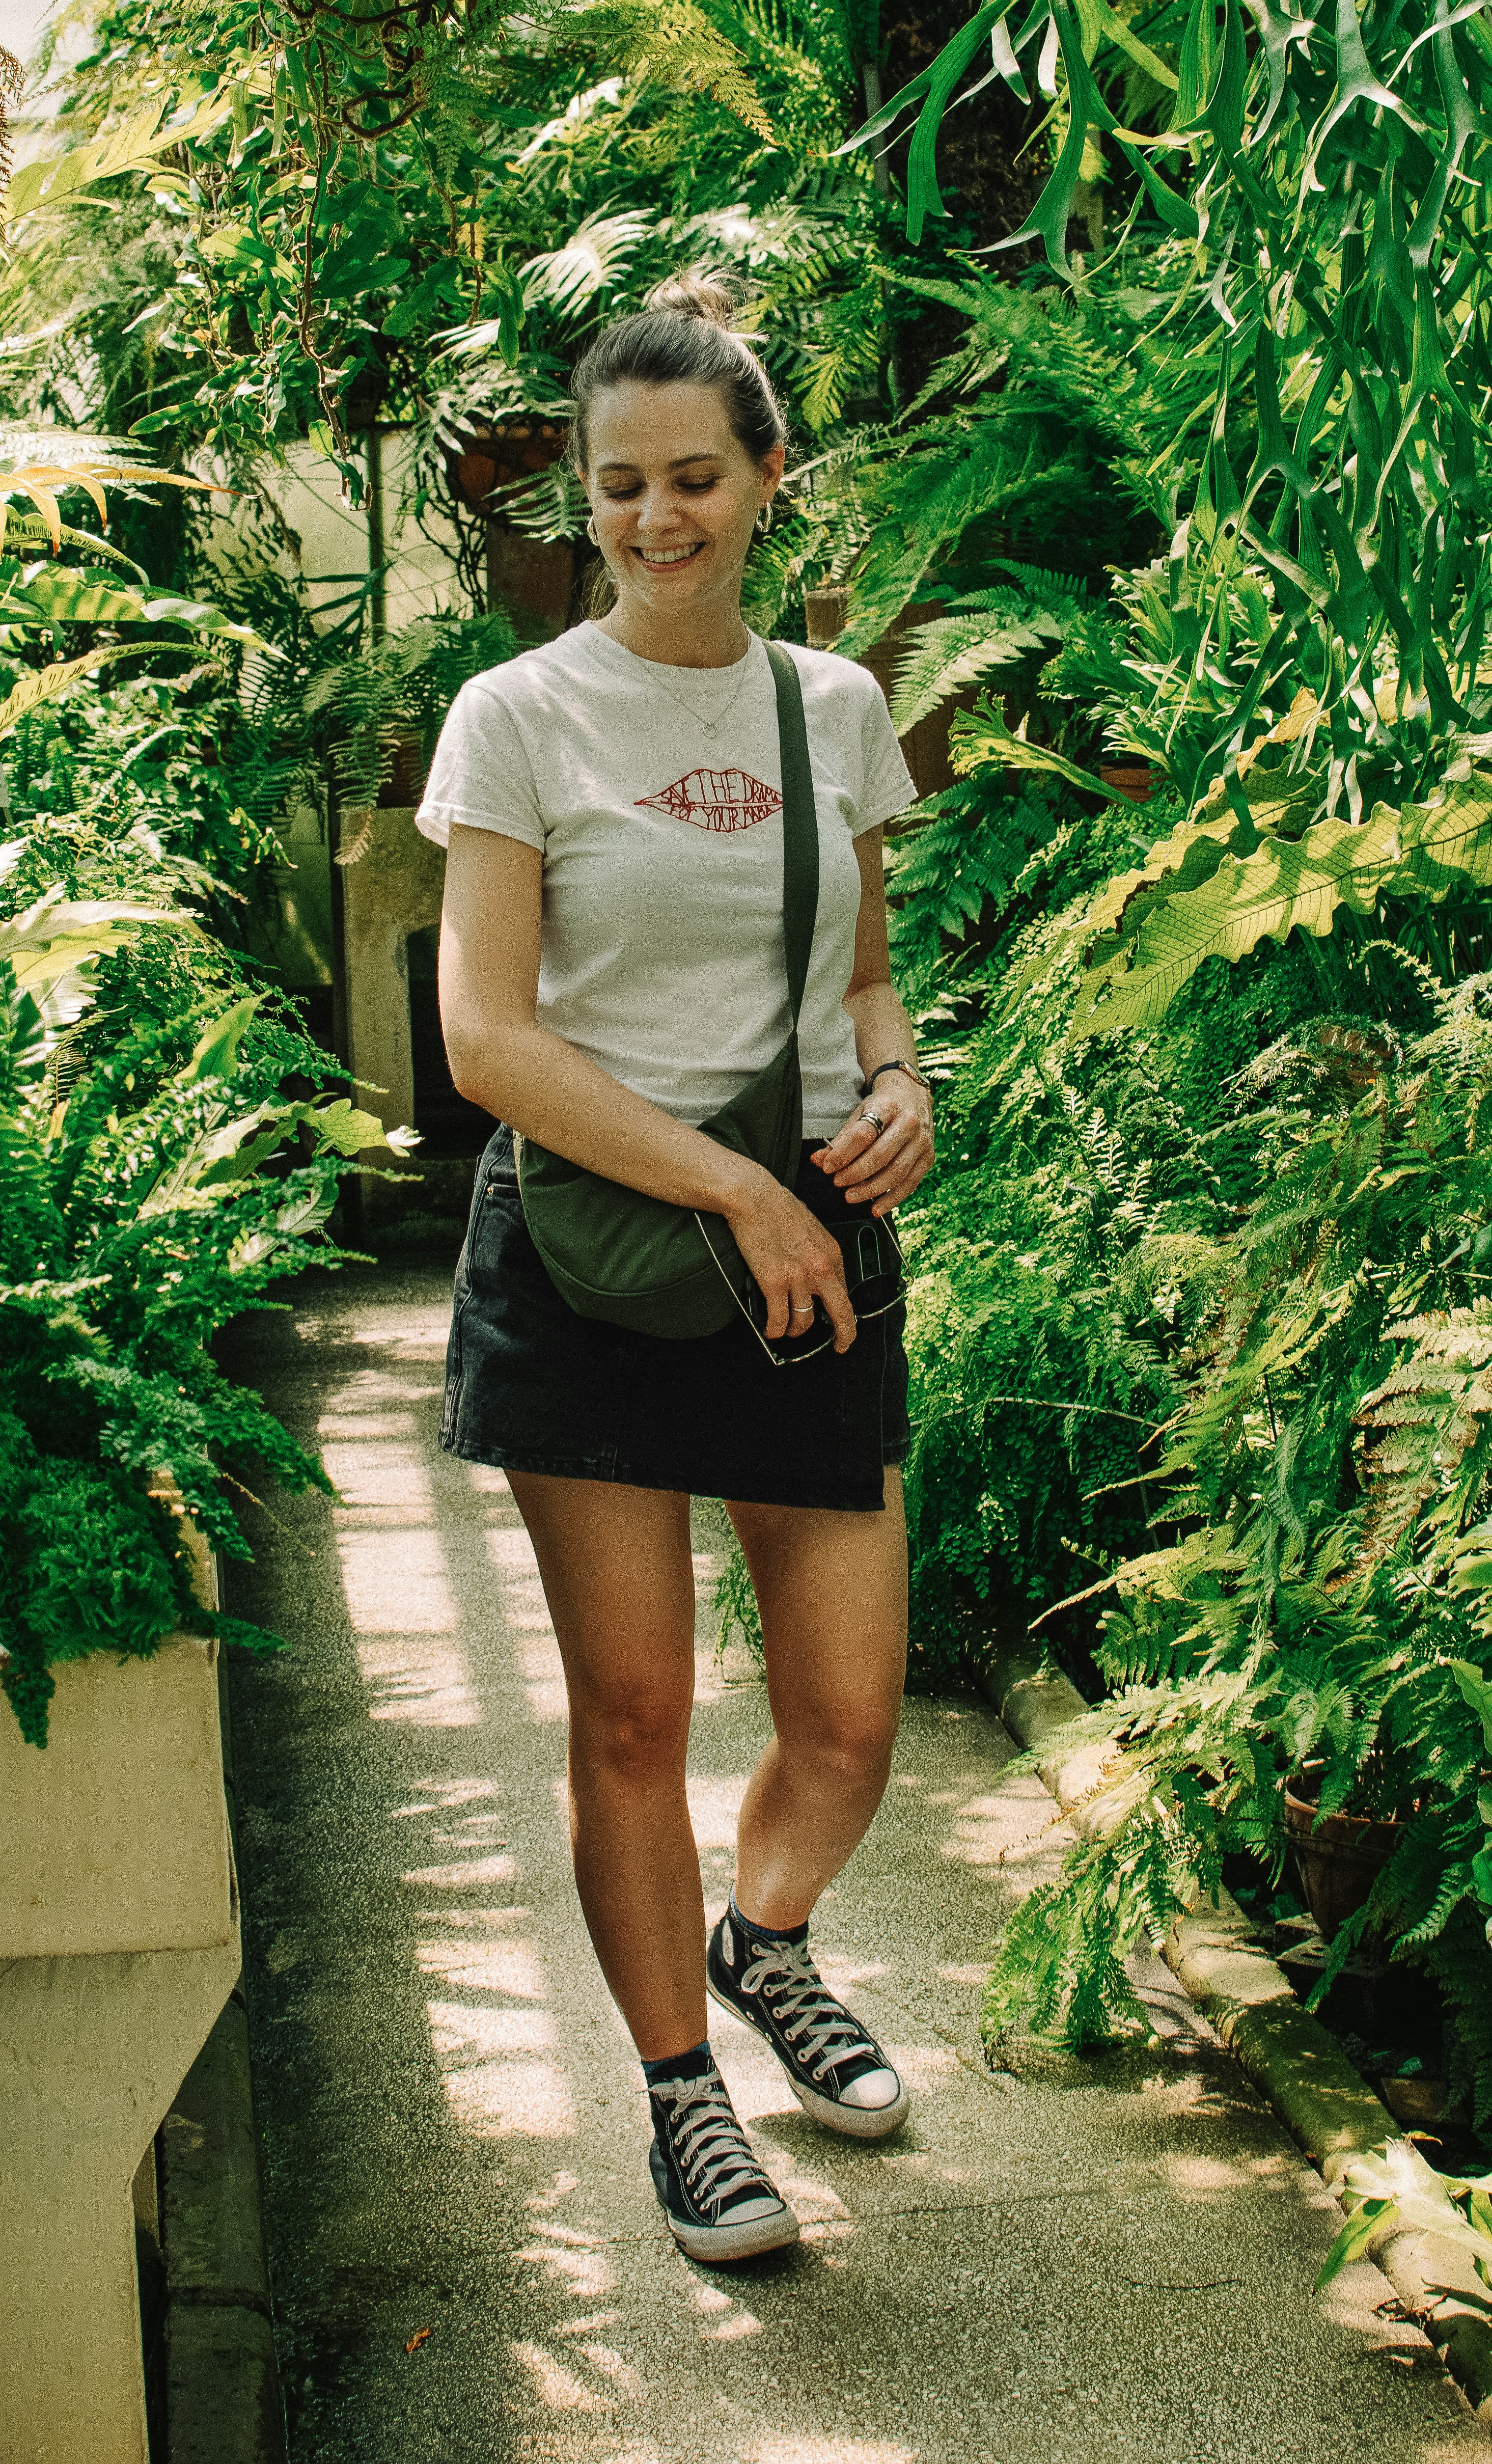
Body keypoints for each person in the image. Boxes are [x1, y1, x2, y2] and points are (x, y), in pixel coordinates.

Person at [418, 270, 936, 2264]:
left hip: (810, 1244)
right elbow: (487, 1038)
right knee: (631, 1713)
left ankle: (769, 1939)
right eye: (619, 484)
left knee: (849, 1720)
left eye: (695, 478)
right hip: (592, 1246)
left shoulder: (838, 709)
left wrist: (896, 1091)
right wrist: (738, 1192)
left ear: (766, 478)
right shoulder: (518, 717)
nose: (655, 518)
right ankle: (677, 2096)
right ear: (584, 492)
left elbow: (867, 979)